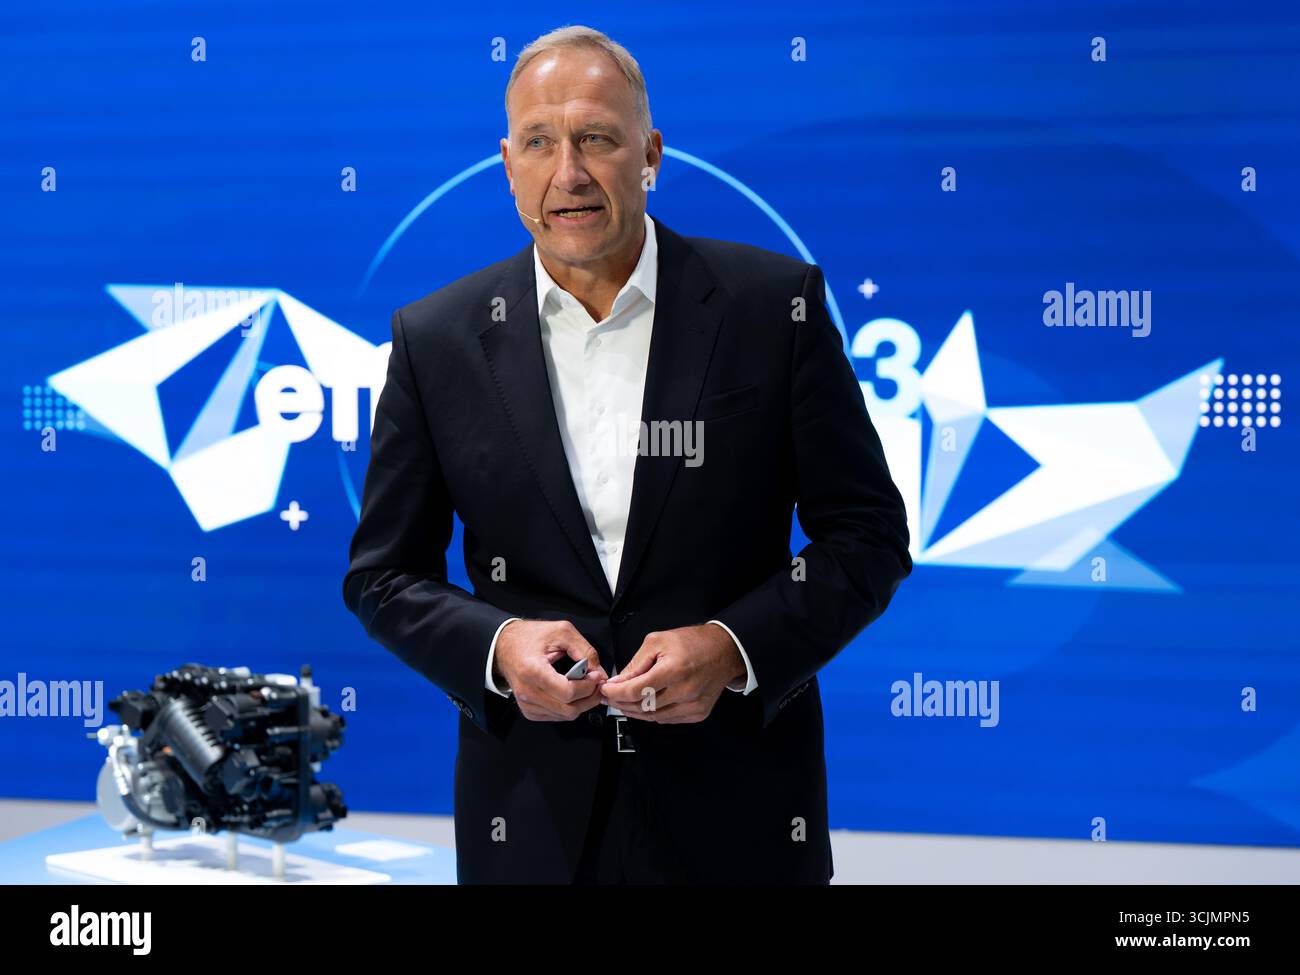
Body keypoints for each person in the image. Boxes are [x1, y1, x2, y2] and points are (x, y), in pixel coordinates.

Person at [342, 25, 912, 884]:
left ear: (649, 154)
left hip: (742, 822)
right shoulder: (436, 340)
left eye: (595, 138)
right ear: (507, 164)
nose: (566, 173)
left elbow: (867, 537)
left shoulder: (772, 308)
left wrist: (732, 646)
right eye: (539, 142)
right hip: (529, 827)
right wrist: (498, 649)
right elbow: (383, 575)